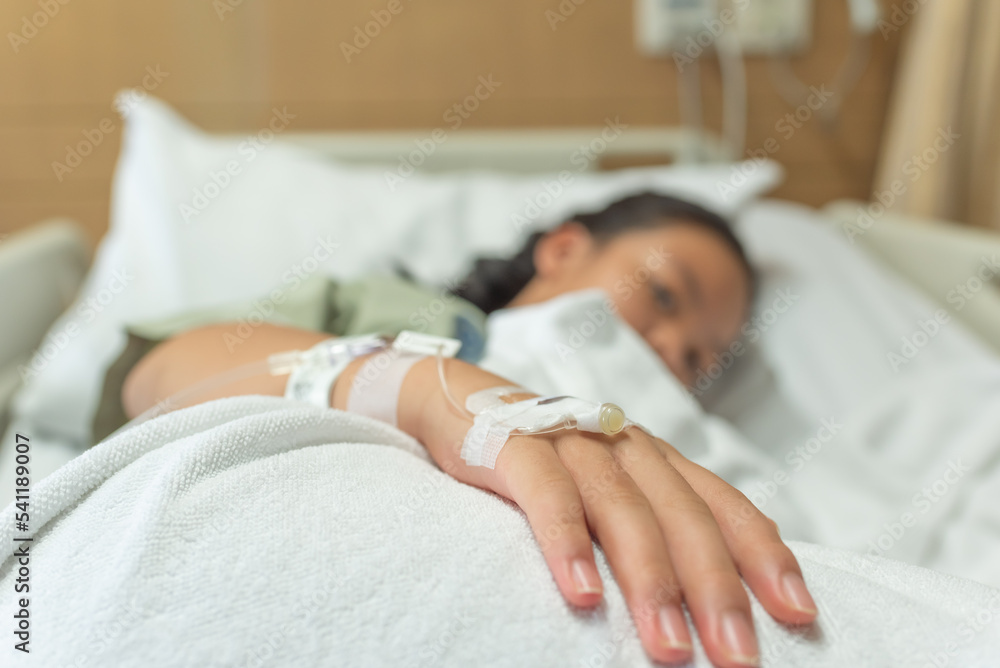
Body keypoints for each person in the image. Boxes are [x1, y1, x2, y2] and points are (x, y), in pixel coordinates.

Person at [120, 193, 816, 668]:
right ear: (565, 248)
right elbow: (158, 376)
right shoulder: (413, 319)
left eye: (697, 359)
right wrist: (426, 388)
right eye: (663, 295)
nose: (668, 349)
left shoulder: (680, 435)